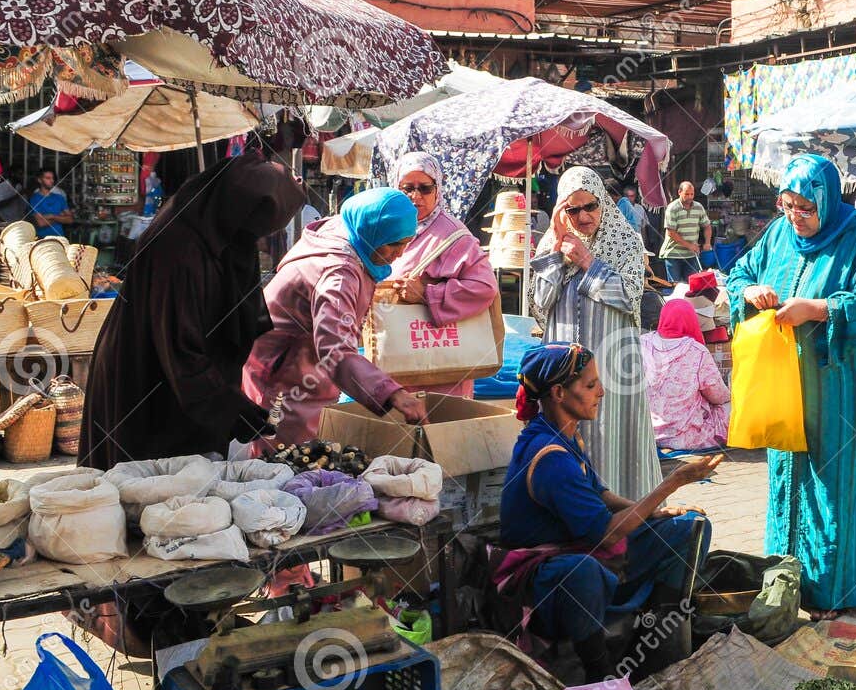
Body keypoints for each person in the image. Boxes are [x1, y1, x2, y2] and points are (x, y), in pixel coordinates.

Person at [726, 154, 856, 618]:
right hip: (790, 383)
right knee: (789, 470)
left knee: (836, 478)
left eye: (805, 208)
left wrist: (817, 309)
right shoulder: (780, 234)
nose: (796, 217)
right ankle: (786, 574)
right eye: (787, 206)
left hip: (846, 385)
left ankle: (835, 587)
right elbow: (740, 272)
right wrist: (748, 292)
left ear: (826, 198)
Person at [498, 343, 718, 682]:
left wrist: (653, 511)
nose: (601, 392)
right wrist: (670, 483)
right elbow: (608, 532)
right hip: (542, 579)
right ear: (558, 392)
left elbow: (600, 493)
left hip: (581, 543)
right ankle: (599, 674)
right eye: (590, 385)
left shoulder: (567, 435)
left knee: (689, 527)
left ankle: (652, 636)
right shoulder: (550, 457)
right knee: (583, 572)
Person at [81, 155, 306, 470]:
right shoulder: (179, 249)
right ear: (237, 212)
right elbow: (180, 349)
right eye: (253, 230)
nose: (252, 241)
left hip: (188, 382)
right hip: (148, 381)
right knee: (146, 493)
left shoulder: (219, 231)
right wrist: (230, 410)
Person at [243, 186, 429, 443]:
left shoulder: (347, 232)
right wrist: (392, 393)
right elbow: (336, 349)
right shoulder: (338, 272)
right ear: (371, 232)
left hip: (295, 366)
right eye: (394, 244)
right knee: (278, 460)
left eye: (406, 243)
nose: (399, 254)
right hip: (282, 381)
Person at [530, 167, 659, 499]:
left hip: (611, 364)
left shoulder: (625, 241)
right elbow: (539, 303)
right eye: (573, 209)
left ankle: (621, 522)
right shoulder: (550, 244)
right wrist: (559, 251)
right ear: (561, 210)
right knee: (565, 440)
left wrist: (588, 261)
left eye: (591, 206)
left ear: (603, 203)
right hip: (562, 369)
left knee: (608, 438)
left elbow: (629, 295)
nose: (584, 216)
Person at [376, 152, 500, 396]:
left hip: (443, 367)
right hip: (397, 362)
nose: (415, 197)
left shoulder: (453, 235)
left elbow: (484, 287)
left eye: (425, 188)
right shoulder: (387, 229)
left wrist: (427, 294)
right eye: (407, 188)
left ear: (438, 190)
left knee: (441, 429)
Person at [641, 298, 730, 450]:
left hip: (647, 434)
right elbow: (719, 396)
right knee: (732, 408)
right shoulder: (696, 351)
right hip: (685, 437)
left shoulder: (641, 343)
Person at [658, 180, 711, 285]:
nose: (690, 197)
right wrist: (689, 245)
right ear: (679, 192)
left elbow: (707, 225)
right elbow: (671, 233)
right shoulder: (672, 208)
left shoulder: (698, 207)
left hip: (691, 255)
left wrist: (707, 242)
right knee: (675, 286)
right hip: (674, 254)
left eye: (692, 194)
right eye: (687, 194)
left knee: (692, 286)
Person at [27, 167, 72, 237]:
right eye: (48, 178)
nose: (52, 180)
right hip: (42, 239)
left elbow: (70, 219)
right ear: (39, 180)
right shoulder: (34, 199)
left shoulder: (59, 197)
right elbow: (41, 223)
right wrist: (61, 217)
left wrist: (52, 216)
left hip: (60, 238)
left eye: (52, 178)